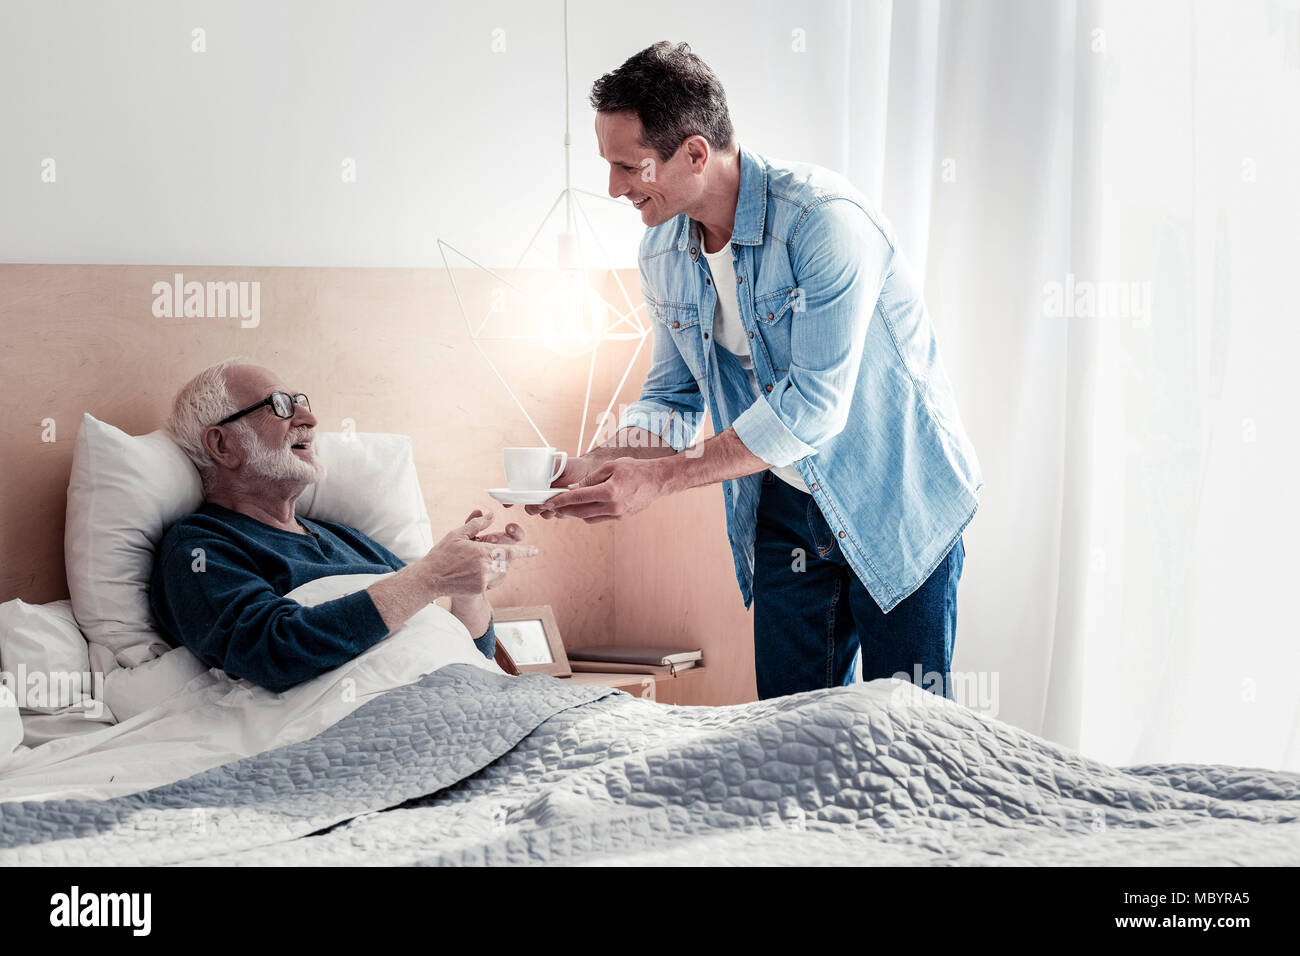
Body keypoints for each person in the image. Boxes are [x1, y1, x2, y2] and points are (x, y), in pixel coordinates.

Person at [531, 42, 983, 701]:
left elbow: (813, 406)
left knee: (907, 741)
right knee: (790, 740)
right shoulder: (662, 247)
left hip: (896, 498)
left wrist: (661, 480)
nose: (614, 188)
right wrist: (598, 463)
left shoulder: (824, 224)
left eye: (629, 167)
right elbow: (672, 395)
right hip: (783, 511)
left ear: (693, 153)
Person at [150, 357, 536, 692]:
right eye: (280, 406)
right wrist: (429, 577)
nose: (310, 419)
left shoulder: (346, 538)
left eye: (302, 402)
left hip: (467, 694)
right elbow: (271, 652)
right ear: (222, 445)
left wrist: (466, 587)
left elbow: (469, 654)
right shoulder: (199, 547)